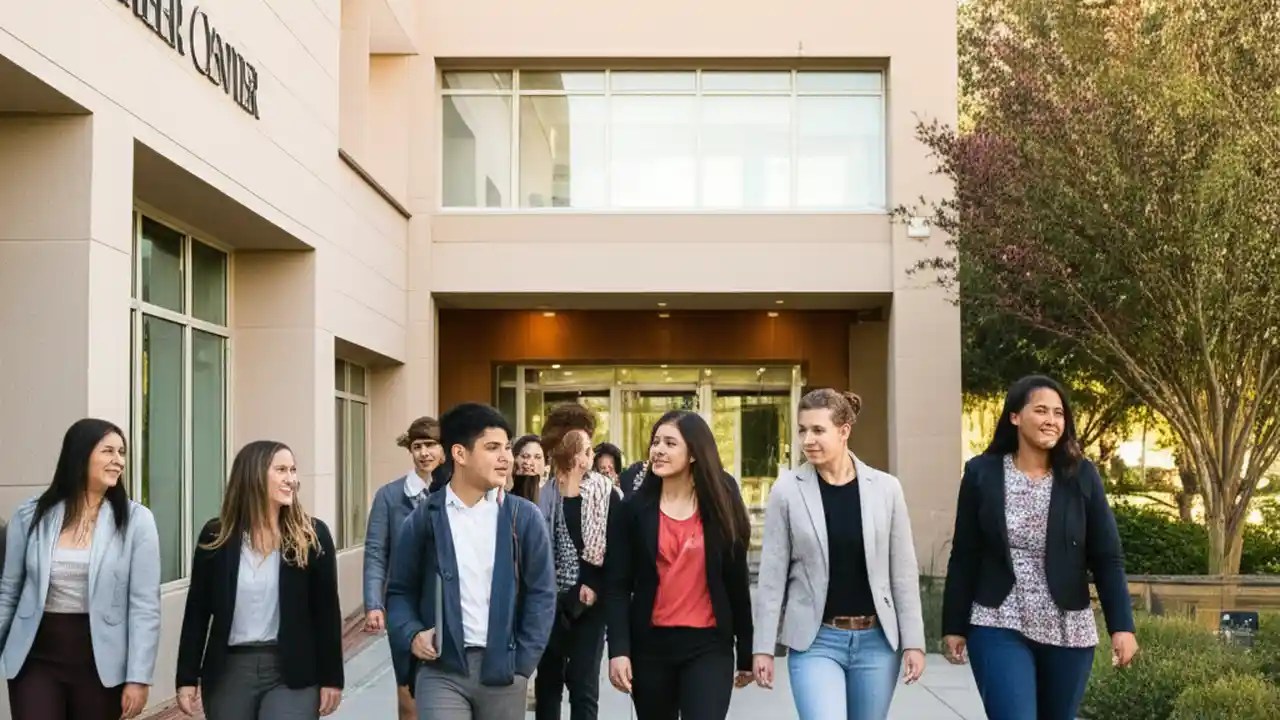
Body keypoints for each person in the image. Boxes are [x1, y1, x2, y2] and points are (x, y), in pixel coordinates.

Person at [941, 375, 1138, 720]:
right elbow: (965, 554)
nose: (1052, 420)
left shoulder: (1082, 476)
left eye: (1059, 413)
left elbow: (1107, 557)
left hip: (1067, 626)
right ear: (1015, 417)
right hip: (997, 620)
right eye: (1042, 410)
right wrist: (954, 626)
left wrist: (1122, 626)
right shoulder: (981, 473)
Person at [752, 389, 926, 720]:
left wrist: (914, 642)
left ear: (844, 430)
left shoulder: (886, 489)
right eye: (802, 430)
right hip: (816, 640)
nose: (807, 439)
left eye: (818, 430)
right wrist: (762, 648)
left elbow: (903, 572)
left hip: (877, 642)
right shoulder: (787, 490)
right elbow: (772, 577)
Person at [386, 403, 557, 720]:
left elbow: (543, 595)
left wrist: (522, 664)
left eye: (507, 447)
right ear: (460, 455)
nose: (506, 457)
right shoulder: (424, 519)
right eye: (493, 448)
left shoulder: (524, 518)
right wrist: (411, 634)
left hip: (503, 671)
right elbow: (398, 592)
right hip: (441, 670)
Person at [0, 418, 161, 720]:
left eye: (122, 452)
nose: (118, 461)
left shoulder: (138, 521)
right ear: (80, 454)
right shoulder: (29, 515)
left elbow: (144, 606)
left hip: (101, 664)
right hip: (35, 658)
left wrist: (139, 676)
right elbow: (8, 591)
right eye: (108, 451)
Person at [175, 441, 344, 719]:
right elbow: (197, 612)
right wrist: (186, 677)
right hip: (229, 670)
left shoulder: (312, 536)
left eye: (293, 470)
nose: (292, 479)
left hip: (292, 671)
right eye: (281, 470)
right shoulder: (216, 536)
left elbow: (326, 613)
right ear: (253, 475)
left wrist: (332, 678)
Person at [605, 410, 754, 720]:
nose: (659, 450)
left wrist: (747, 652)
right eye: (656, 442)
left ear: (694, 454)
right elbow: (617, 586)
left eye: (670, 443)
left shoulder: (722, 504)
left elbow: (736, 581)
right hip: (651, 647)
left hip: (709, 646)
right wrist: (618, 650)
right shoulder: (631, 510)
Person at [535, 404, 620, 720]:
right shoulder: (543, 493)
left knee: (583, 688)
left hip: (589, 603)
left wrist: (593, 584)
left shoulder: (603, 493)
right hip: (547, 602)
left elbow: (613, 548)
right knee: (548, 685)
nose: (588, 458)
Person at [364, 416, 445, 720]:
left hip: (444, 603)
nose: (424, 452)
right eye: (417, 446)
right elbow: (375, 552)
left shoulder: (454, 493)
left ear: (445, 449)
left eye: (431, 445)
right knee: (407, 693)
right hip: (404, 605)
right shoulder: (389, 496)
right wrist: (374, 603)